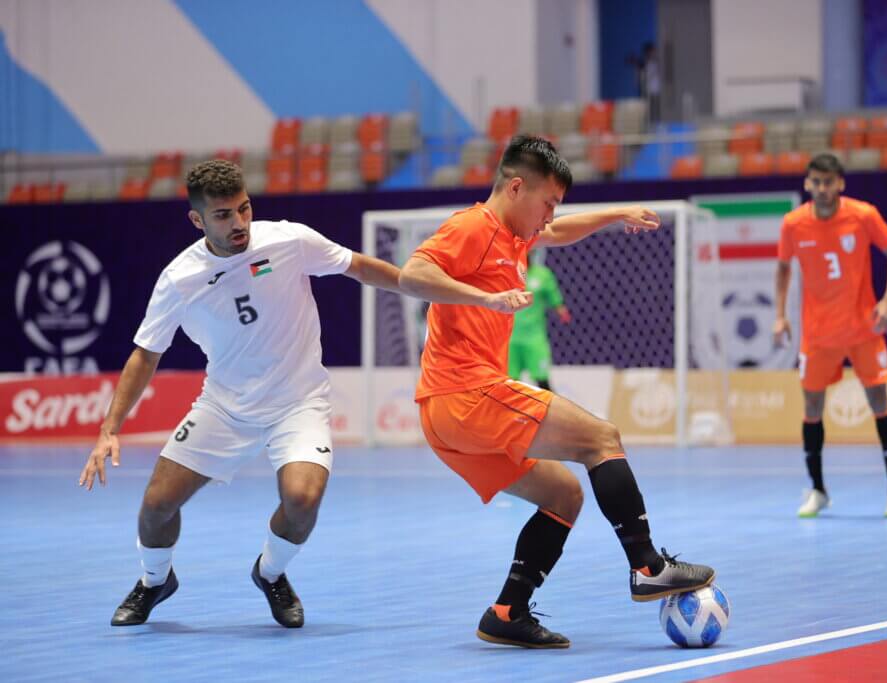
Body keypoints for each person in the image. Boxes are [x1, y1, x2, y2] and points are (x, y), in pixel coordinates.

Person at [398, 135, 715, 649]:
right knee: (601, 438)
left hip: (445, 418)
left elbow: (561, 232)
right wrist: (487, 298)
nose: (550, 216)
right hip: (465, 395)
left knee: (563, 495)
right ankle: (648, 566)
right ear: (517, 187)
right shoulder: (474, 226)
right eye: (547, 202)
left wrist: (615, 214)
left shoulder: (513, 234)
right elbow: (412, 275)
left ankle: (507, 611)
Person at [78, 160, 403, 628]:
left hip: (298, 403)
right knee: (156, 506)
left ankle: (270, 573)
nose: (240, 224)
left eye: (244, 209)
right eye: (224, 216)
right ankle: (154, 581)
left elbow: (359, 267)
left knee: (303, 499)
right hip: (225, 406)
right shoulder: (179, 279)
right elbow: (144, 355)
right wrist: (110, 429)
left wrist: (416, 287)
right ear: (198, 221)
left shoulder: (289, 240)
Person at [773, 153, 887, 518]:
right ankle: (817, 490)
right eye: (815, 182)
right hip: (817, 334)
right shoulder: (793, 224)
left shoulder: (863, 216)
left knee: (879, 400)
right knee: (812, 408)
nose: (821, 188)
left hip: (863, 328)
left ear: (840, 184)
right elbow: (783, 269)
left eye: (828, 182)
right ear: (807, 184)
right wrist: (780, 315)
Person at [508, 251, 570, 390]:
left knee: (542, 382)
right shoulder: (507, 274)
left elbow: (555, 299)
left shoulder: (543, 275)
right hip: (510, 338)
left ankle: (548, 412)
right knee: (510, 384)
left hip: (534, 337)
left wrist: (561, 310)